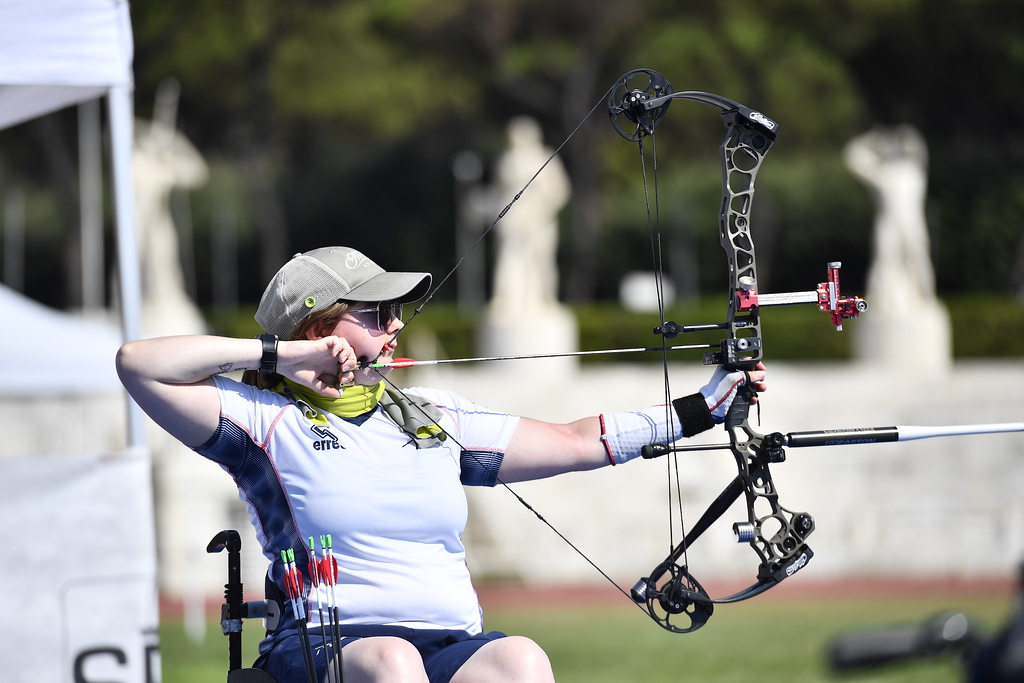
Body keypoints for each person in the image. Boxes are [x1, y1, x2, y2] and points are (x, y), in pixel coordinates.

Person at [116, 246, 767, 683]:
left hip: (449, 636)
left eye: (396, 310)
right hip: (321, 645)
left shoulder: (427, 413)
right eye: (375, 313)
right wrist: (282, 357)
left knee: (522, 661)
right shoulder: (259, 417)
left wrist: (702, 408)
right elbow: (138, 362)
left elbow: (573, 439)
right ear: (318, 328)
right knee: (394, 664)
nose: (396, 324)